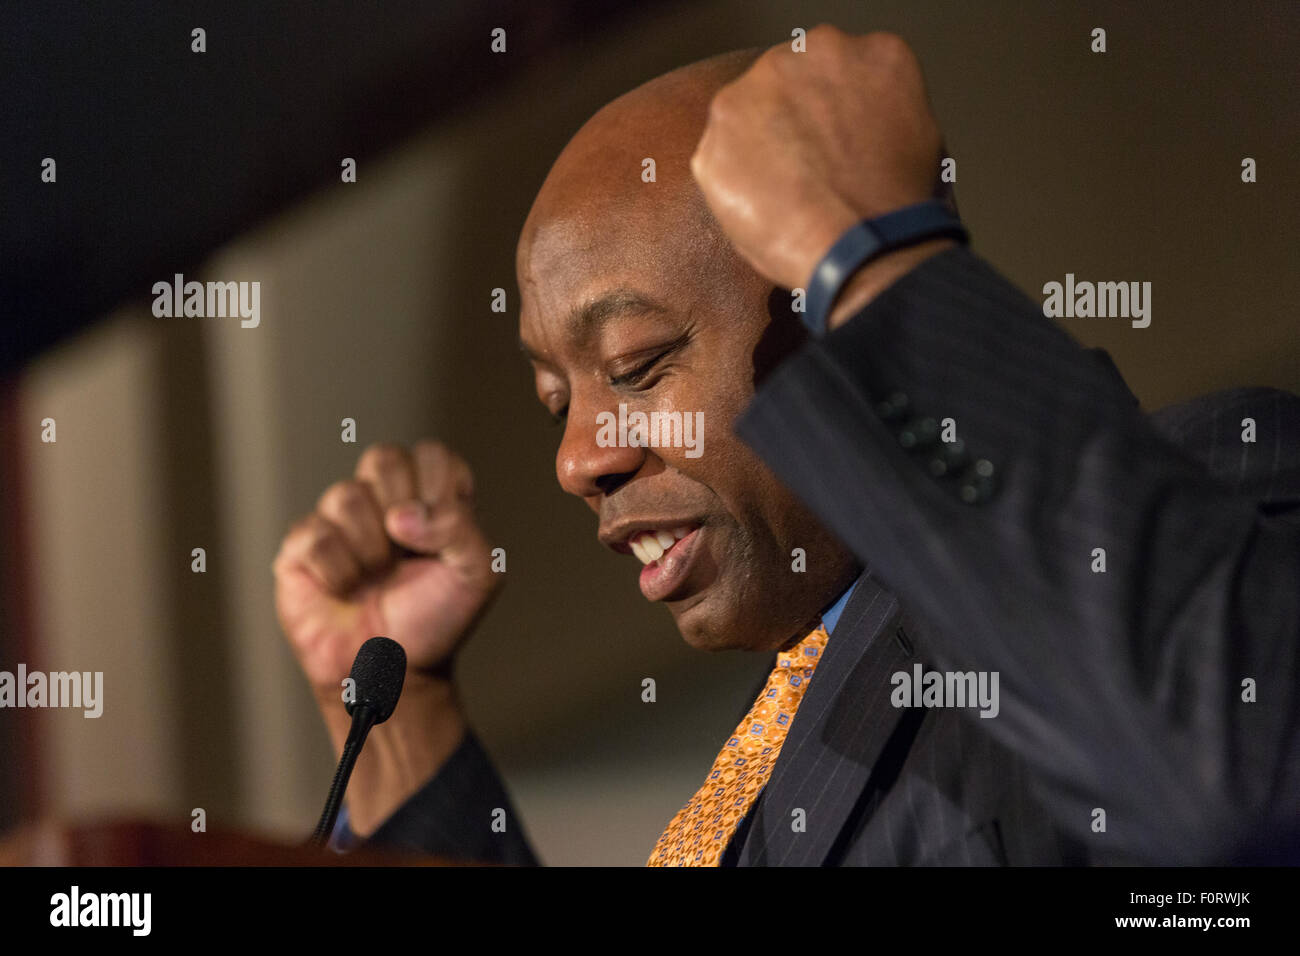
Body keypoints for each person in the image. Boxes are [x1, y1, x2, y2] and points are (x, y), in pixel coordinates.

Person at [272, 27, 1299, 865]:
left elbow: (1224, 788)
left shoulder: (1215, 482)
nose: (576, 460)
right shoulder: (791, 745)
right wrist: (406, 721)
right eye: (555, 403)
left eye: (635, 364)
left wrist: (877, 254)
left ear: (820, 311)